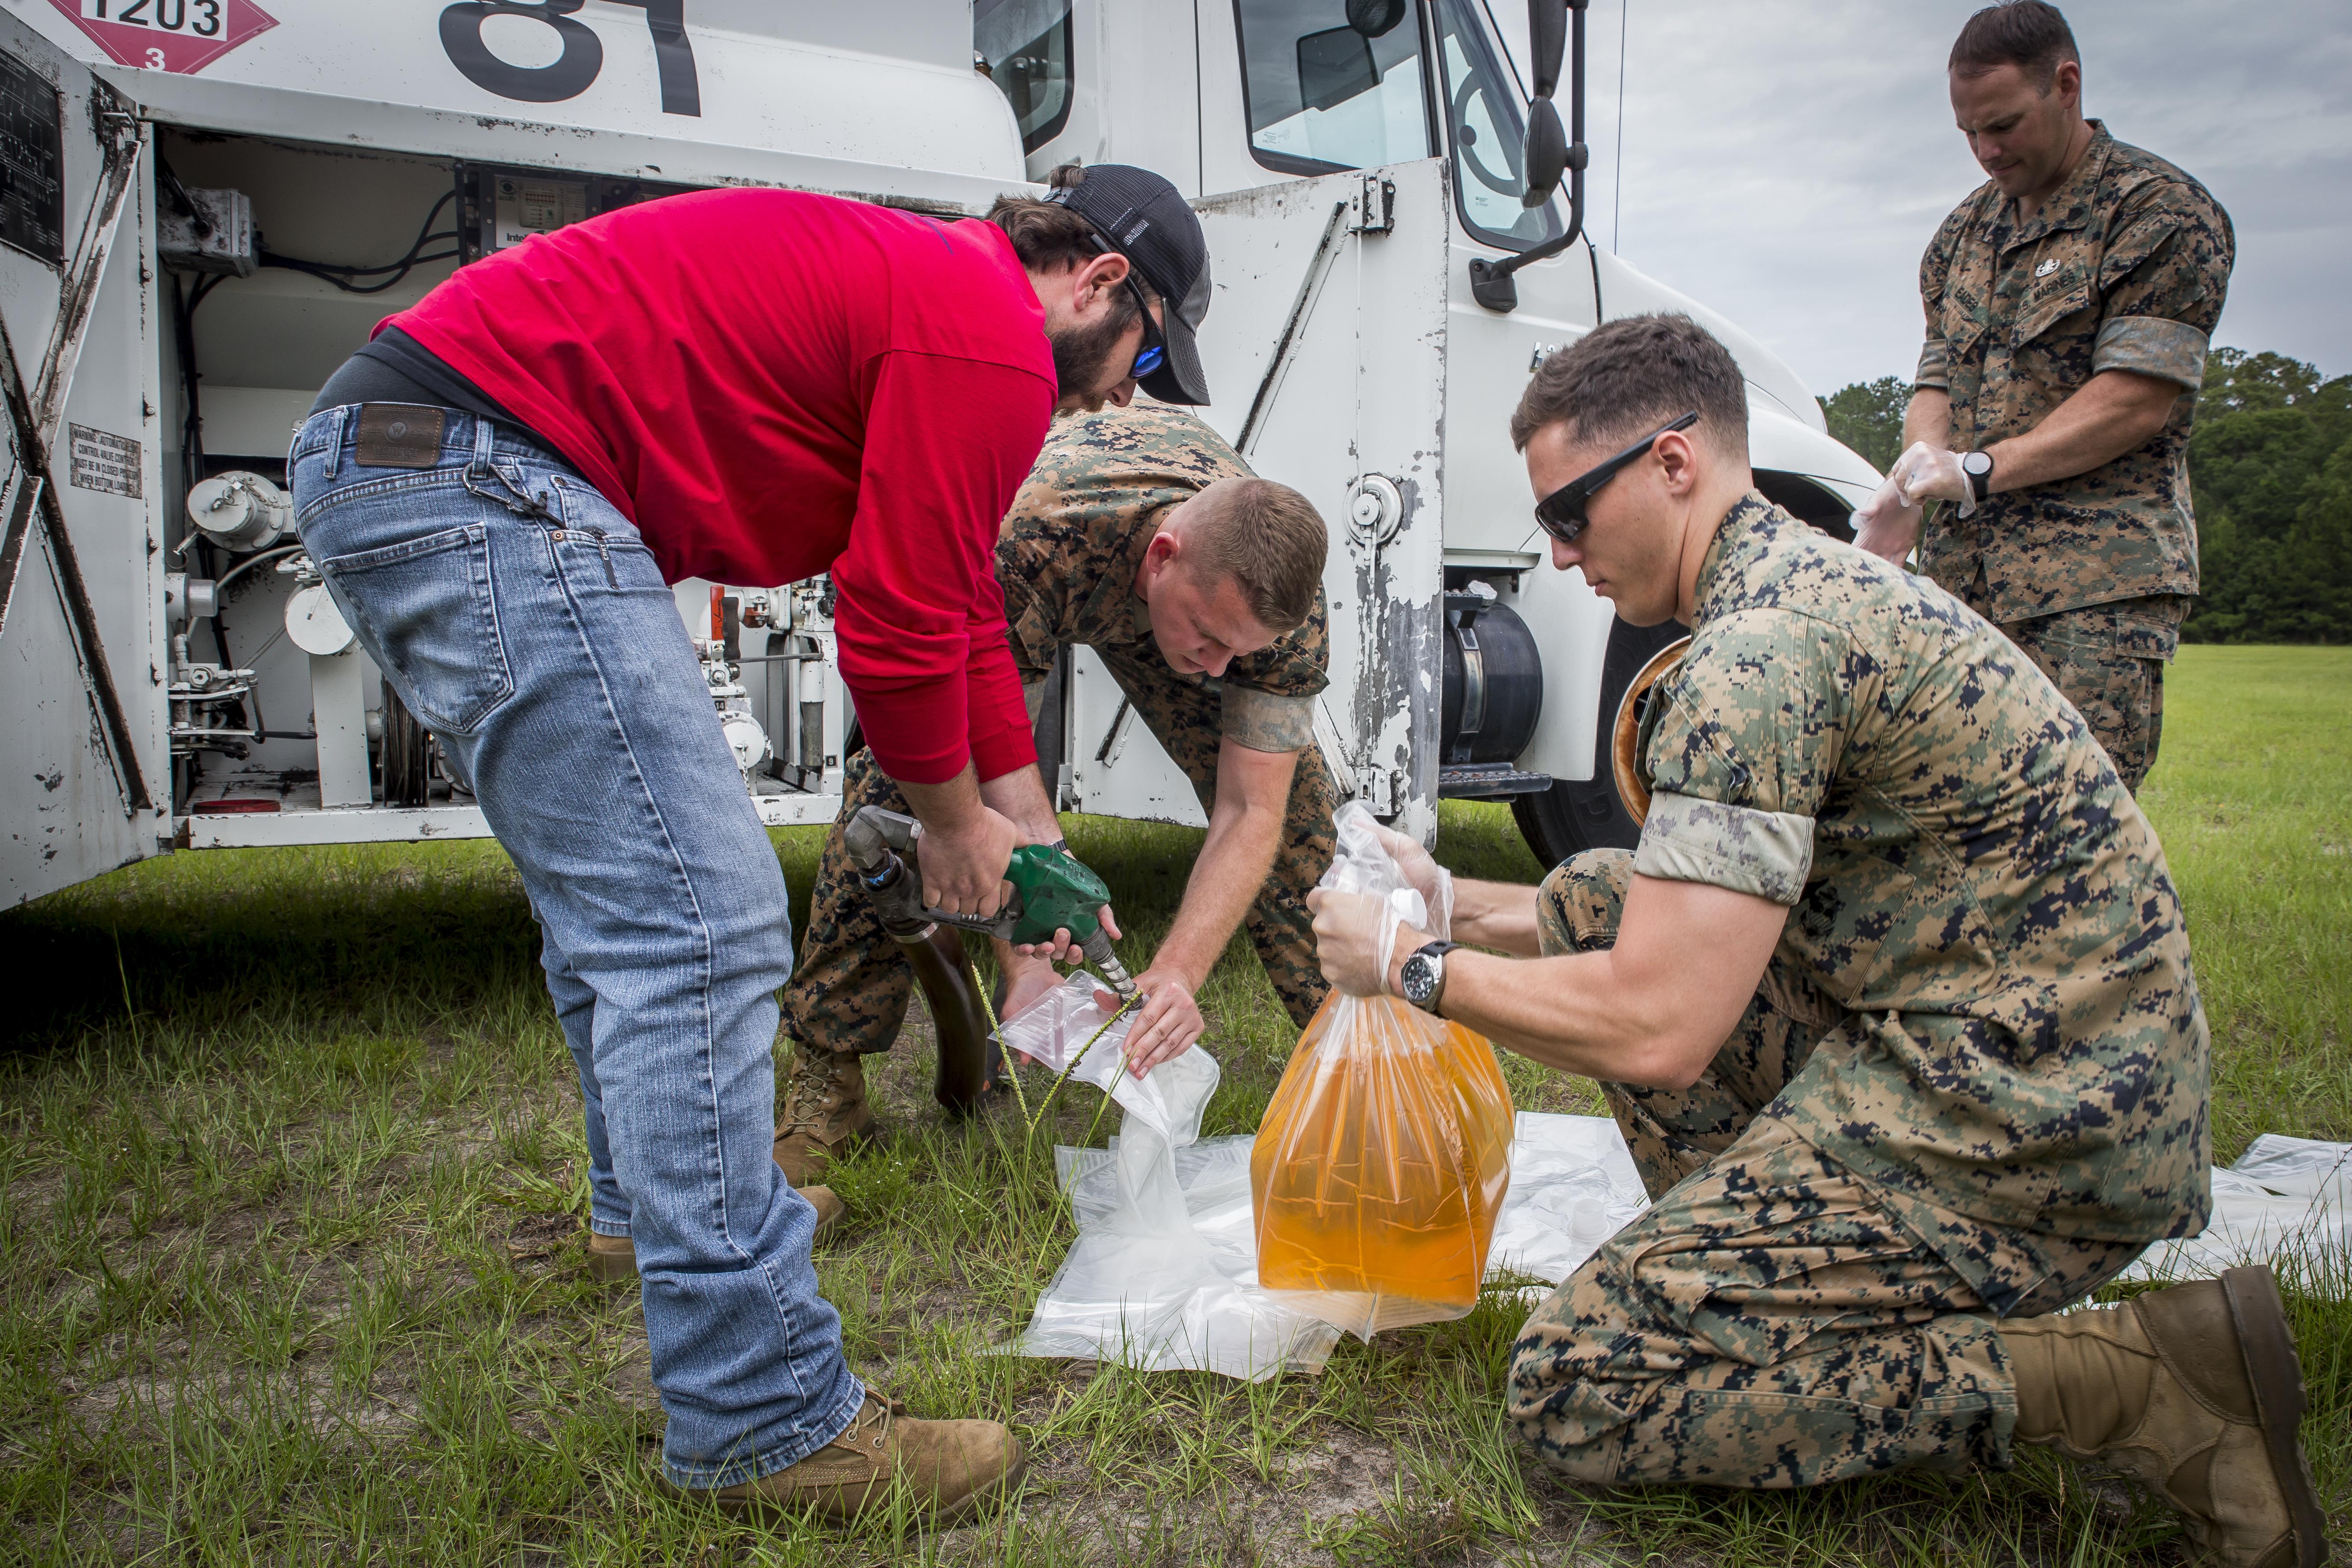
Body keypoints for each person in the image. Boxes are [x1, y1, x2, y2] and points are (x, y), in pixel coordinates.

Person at [1310, 314, 2323, 1568]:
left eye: (1569, 512)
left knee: (1579, 1384)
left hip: (2035, 1116)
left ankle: (2130, 1379)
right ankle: (1769, 1294)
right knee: (1591, 890)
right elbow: (1666, 908)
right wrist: (1449, 902)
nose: (1560, 555)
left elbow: (1659, 1027)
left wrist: (1411, 969)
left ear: (1673, 464)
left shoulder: (1755, 656)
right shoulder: (1797, 587)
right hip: (2039, 1057)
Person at [287, 162, 1213, 1524]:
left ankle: (642, 1217)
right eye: (1140, 355)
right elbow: (890, 617)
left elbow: (952, 606)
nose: (1120, 394)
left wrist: (1026, 828)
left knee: (623, 917)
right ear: (1099, 281)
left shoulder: (932, 297)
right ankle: (763, 1414)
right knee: (699, 925)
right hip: (487, 474)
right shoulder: (984, 331)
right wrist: (951, 830)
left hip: (417, 460)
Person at [775, 401, 1338, 1181]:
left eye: (1237, 652)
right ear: (1164, 557)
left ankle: (1359, 1063)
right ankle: (824, 1083)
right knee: (905, 791)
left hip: (1149, 576)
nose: (1215, 668)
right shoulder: (1031, 538)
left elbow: (1255, 809)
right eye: (1208, 637)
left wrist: (1177, 970)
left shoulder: (1280, 615)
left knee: (1304, 824)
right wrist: (1027, 963)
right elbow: (988, 758)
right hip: (1051, 564)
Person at [1851, 1, 2234, 792]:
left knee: (2077, 824)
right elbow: (1935, 379)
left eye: (2003, 125)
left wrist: (1977, 470)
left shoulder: (2157, 212)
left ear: (2066, 85)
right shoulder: (1960, 238)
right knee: (1958, 813)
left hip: (2093, 585)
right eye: (1967, 133)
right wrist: (1916, 475)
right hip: (1967, 584)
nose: (1985, 152)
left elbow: (2134, 400)